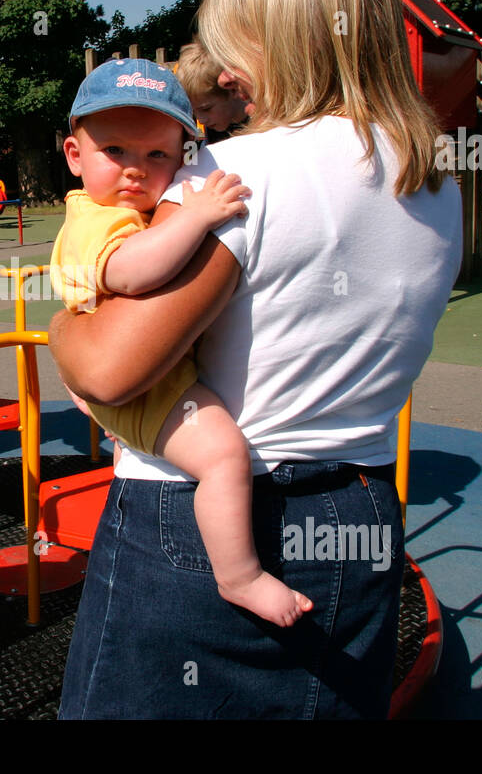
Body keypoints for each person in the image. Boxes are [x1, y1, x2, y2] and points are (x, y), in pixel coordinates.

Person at [47, 0, 462, 718]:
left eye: (237, 42)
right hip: (360, 504)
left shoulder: (236, 171)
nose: (230, 72)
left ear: (281, 37)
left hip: (197, 514)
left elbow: (109, 367)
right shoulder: (435, 181)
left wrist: (62, 323)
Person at [50, 57, 310, 626]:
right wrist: (195, 218)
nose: (134, 171)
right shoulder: (95, 218)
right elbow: (131, 272)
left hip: (149, 382)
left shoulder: (126, 209)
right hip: (150, 390)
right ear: (75, 156)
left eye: (157, 155)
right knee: (222, 457)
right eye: (113, 152)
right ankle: (239, 576)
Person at [176, 41, 252, 142]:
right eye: (194, 112)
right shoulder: (215, 128)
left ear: (232, 90)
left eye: (206, 109)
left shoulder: (260, 127)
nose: (201, 120)